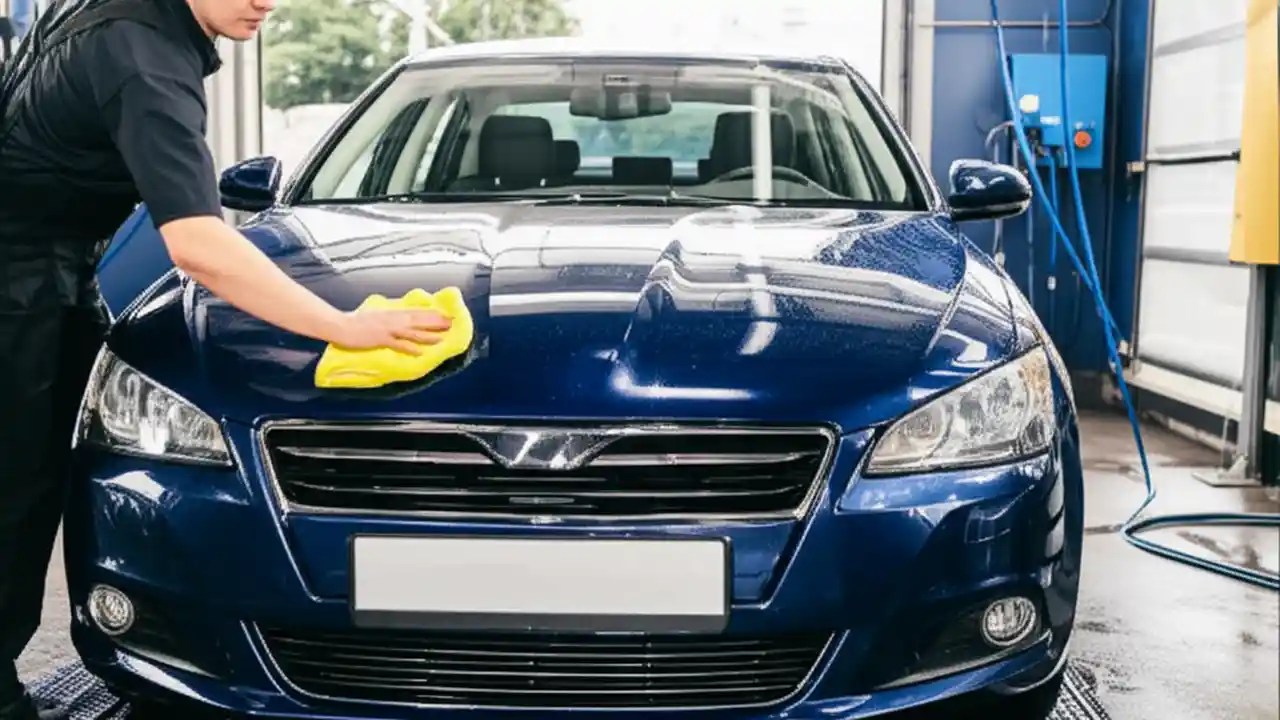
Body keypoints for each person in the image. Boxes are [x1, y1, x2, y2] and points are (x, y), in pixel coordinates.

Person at [0, 0, 454, 717]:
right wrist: (341, 325)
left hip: (52, 273)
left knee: (30, 490)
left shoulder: (117, 16)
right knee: (15, 495)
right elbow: (198, 245)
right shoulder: (142, 49)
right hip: (17, 283)